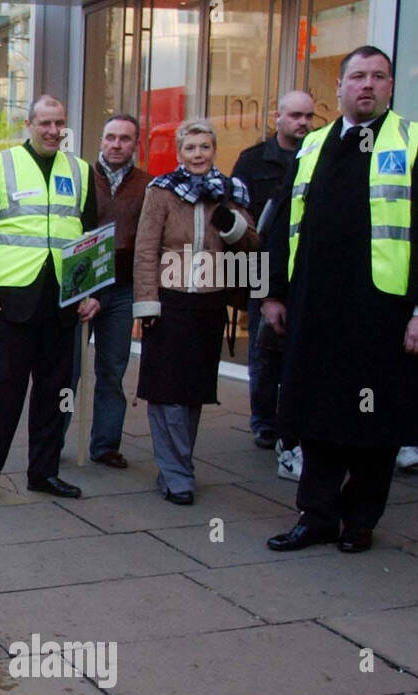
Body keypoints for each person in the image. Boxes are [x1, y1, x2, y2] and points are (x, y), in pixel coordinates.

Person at [263, 45, 418, 554]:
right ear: (340, 88)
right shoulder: (312, 146)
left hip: (383, 310)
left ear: (391, 86)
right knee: (317, 413)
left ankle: (360, 521)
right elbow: (284, 227)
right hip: (316, 307)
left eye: (378, 76)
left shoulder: (411, 141)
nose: (367, 85)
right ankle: (317, 516)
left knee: (376, 422)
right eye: (357, 76)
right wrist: (274, 295)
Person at [0, 94, 101, 506]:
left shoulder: (80, 171)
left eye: (59, 123)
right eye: (45, 123)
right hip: (8, 301)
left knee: (55, 394)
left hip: (60, 301)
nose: (53, 131)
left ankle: (44, 472)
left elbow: (88, 235)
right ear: (29, 124)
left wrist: (90, 291)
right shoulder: (0, 164)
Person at [134, 119, 257, 505]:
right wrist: (147, 301)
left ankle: (177, 467)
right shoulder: (162, 191)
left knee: (193, 393)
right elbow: (145, 249)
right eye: (191, 148)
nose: (198, 154)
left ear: (214, 150)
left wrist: (231, 223)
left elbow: (253, 246)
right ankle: (177, 474)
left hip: (209, 302)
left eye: (205, 147)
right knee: (167, 391)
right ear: (179, 153)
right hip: (169, 301)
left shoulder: (231, 191)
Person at [232, 91, 315, 456]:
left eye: (309, 116)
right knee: (264, 352)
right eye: (296, 115)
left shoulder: (318, 156)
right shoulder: (252, 162)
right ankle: (264, 421)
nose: (303, 123)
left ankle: (294, 420)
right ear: (277, 117)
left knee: (300, 352)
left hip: (306, 272)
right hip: (263, 267)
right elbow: (238, 220)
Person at [68, 113, 150, 469]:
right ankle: (52, 438)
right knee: (67, 372)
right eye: (111, 137)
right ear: (101, 140)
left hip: (122, 288)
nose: (117, 145)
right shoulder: (80, 178)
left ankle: (104, 444)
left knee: (112, 371)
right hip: (82, 287)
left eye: (125, 139)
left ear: (135, 144)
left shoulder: (149, 185)